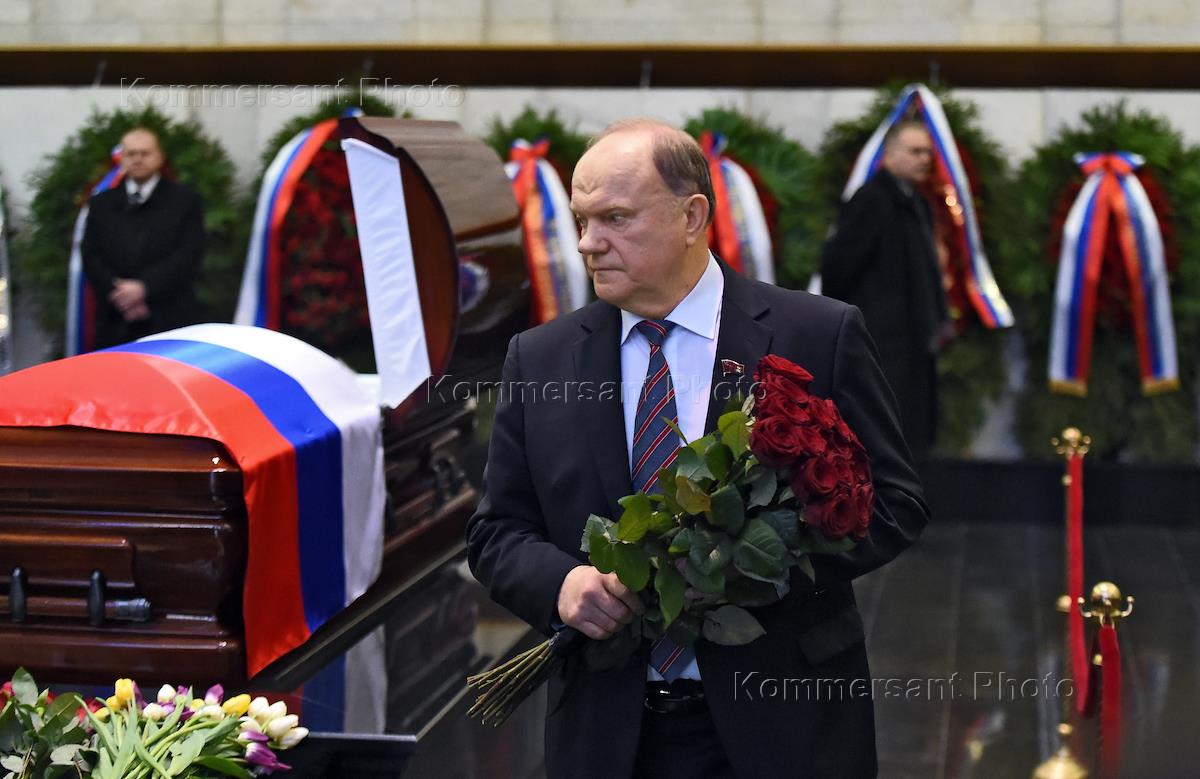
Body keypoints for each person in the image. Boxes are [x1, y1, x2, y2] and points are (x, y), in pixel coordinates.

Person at [466, 119, 929, 778]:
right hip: (607, 729)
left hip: (784, 720)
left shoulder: (816, 335)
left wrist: (743, 565)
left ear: (692, 216)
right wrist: (563, 584)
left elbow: (895, 504)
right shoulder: (539, 357)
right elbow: (496, 530)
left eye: (615, 218)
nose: (587, 244)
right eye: (580, 219)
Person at [819, 119, 949, 461]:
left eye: (928, 152)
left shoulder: (916, 203)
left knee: (912, 437)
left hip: (914, 341)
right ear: (889, 155)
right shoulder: (872, 200)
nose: (924, 159)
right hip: (881, 342)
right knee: (882, 438)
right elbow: (837, 266)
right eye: (915, 151)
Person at [81, 127, 205, 349]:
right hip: (114, 319)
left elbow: (189, 253)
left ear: (159, 157)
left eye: (145, 153)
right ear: (122, 159)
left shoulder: (185, 201)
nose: (137, 159)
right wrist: (119, 294)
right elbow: (91, 254)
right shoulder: (101, 203)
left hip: (169, 315)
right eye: (131, 154)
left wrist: (144, 288)